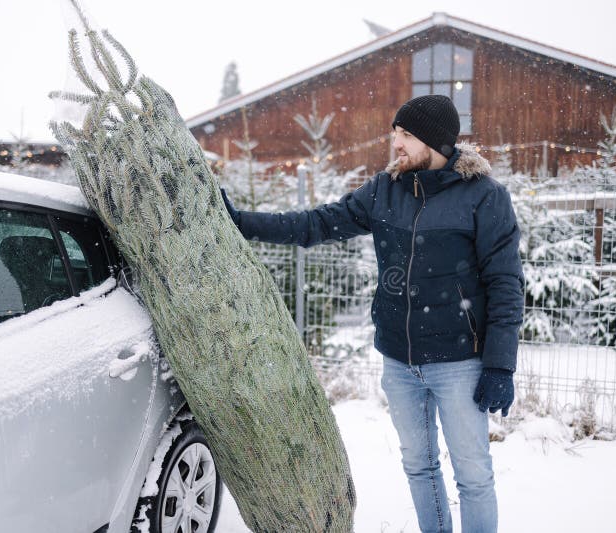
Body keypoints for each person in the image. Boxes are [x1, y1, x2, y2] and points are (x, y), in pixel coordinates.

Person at [220, 94, 524, 533]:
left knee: (473, 476)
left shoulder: (484, 198)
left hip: (459, 364)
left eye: (405, 135)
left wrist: (499, 364)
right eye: (395, 134)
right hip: (400, 362)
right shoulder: (386, 190)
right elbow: (316, 224)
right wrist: (243, 222)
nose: (395, 144)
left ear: (435, 141)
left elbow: (505, 284)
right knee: (419, 467)